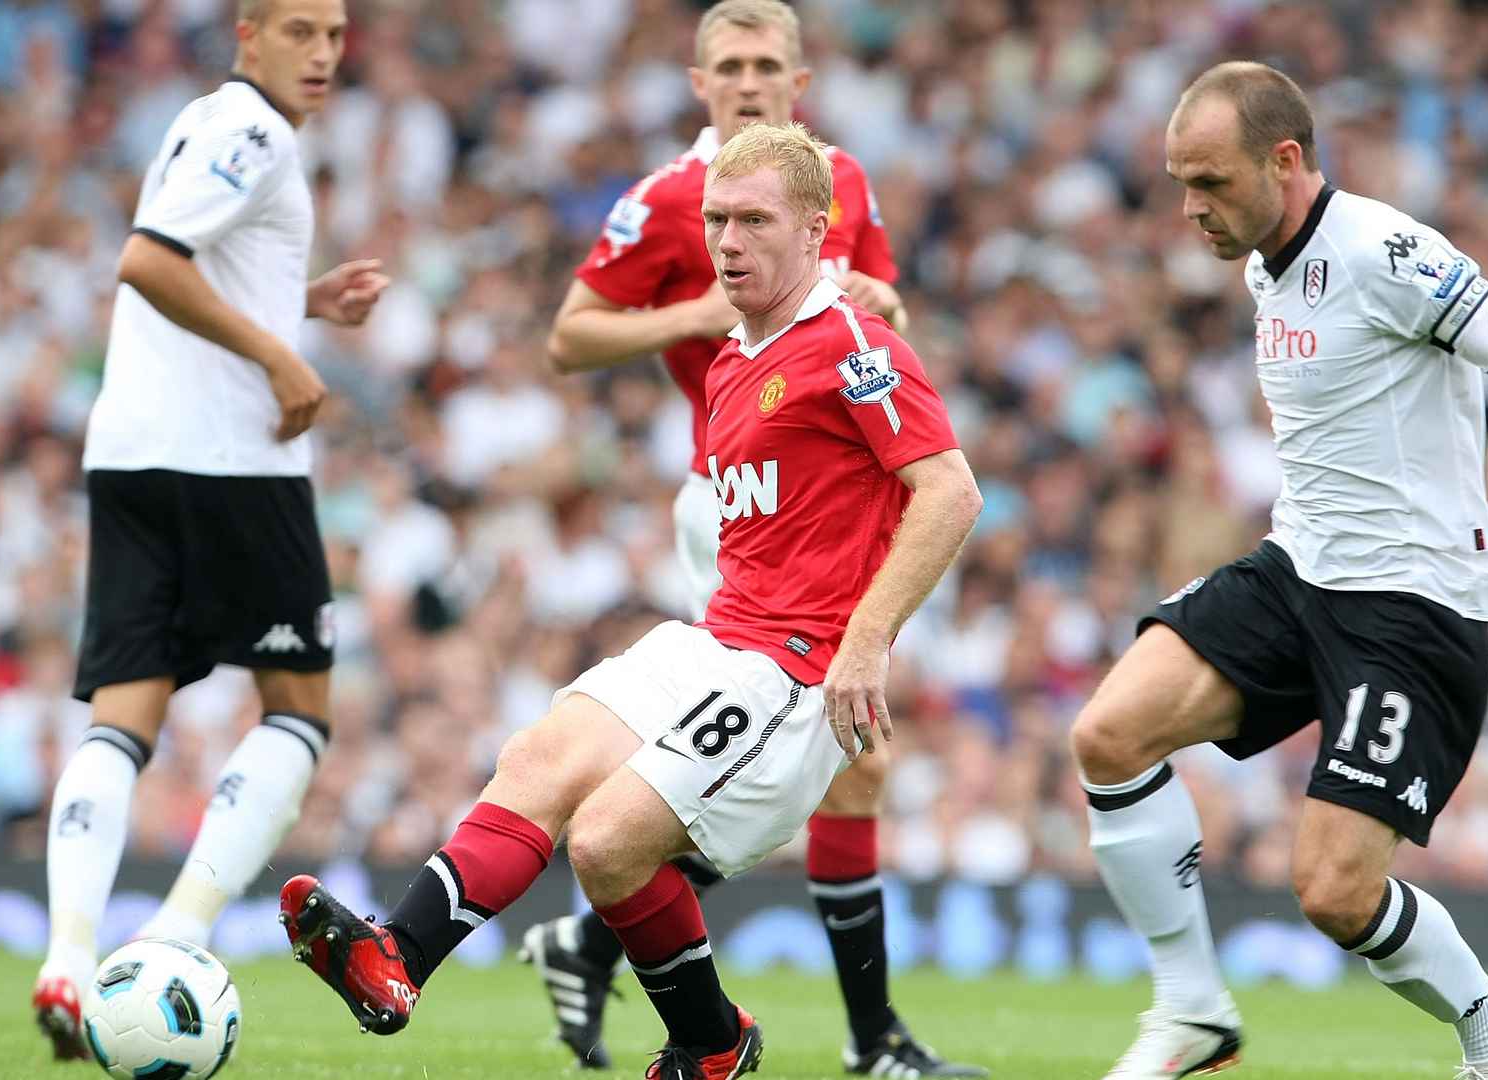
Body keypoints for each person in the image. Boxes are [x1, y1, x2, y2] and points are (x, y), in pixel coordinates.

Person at [278, 120, 983, 1080]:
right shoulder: (733, 360)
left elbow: (949, 490)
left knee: (608, 843)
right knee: (540, 753)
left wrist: (867, 641)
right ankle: (396, 957)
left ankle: (711, 1043)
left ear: (817, 231)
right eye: (715, 220)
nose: (727, 242)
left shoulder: (851, 345)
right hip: (722, 638)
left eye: (753, 222)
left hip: (799, 667)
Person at [1071, 62, 1488, 1080]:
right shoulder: (1266, 262)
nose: (1190, 210)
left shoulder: (1379, 251)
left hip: (1408, 607)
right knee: (1107, 734)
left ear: (1285, 161)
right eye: (1181, 183)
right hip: (1297, 571)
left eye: (1210, 182)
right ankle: (1190, 1009)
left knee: (1333, 894)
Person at [535, 3, 982, 1077]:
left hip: (829, 495)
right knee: (824, 761)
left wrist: (886, 298)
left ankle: (594, 936)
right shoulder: (670, 198)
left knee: (848, 767)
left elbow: (873, 319)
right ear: (698, 82)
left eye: (764, 64)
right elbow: (570, 335)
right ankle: (864, 1038)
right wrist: (684, 319)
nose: (746, 81)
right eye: (727, 65)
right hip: (736, 501)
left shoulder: (840, 182)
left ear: (799, 76)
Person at [30, 0, 388, 1061]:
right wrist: (281, 357)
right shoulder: (255, 132)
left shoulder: (204, 121)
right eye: (299, 32)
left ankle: (65, 957)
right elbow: (147, 260)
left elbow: (192, 267)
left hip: (132, 452)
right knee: (300, 709)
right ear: (246, 32)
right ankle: (173, 936)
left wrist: (298, 305)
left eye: (333, 35)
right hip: (231, 461)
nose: (321, 55)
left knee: (122, 713)